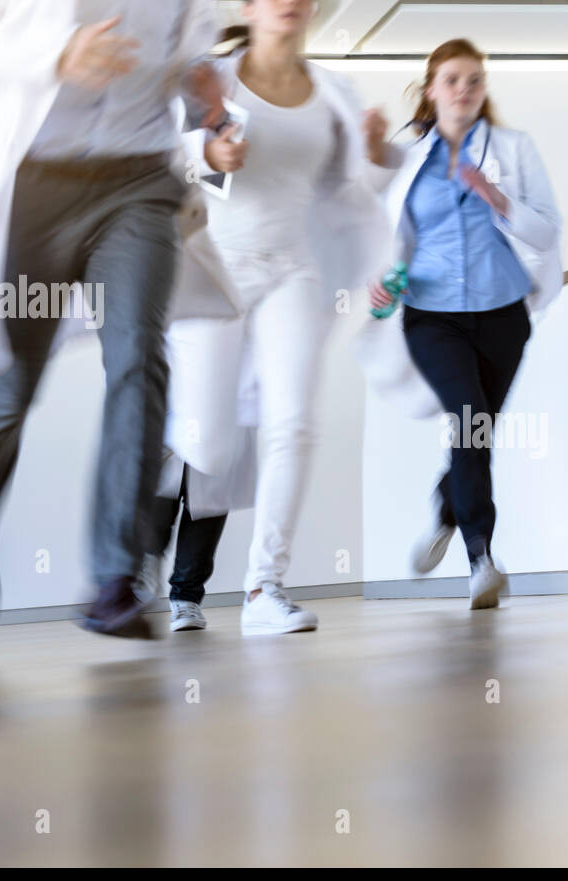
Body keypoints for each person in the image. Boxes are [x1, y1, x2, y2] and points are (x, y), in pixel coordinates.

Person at [0, 0, 232, 639]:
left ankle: (115, 578)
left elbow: (189, 52)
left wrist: (203, 82)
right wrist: (52, 53)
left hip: (140, 183)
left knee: (139, 358)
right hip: (34, 186)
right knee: (14, 380)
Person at [149, 0, 393, 636]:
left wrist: (375, 156)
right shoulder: (210, 77)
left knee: (293, 424)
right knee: (204, 435)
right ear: (247, 7)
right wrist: (208, 152)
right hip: (216, 267)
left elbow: (350, 193)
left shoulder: (335, 93)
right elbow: (159, 158)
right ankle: (142, 562)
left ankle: (264, 589)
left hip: (294, 271)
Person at [362, 38, 564, 609]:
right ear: (431, 89)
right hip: (432, 318)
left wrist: (496, 197)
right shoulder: (406, 160)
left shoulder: (513, 148)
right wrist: (380, 283)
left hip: (503, 315)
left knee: (476, 434)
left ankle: (445, 511)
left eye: (475, 80)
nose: (465, 90)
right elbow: (386, 242)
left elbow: (547, 233)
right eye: (452, 79)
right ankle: (482, 559)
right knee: (470, 418)